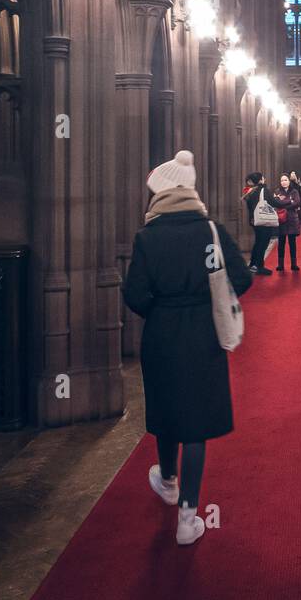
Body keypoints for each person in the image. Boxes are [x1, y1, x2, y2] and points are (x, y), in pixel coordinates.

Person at [122, 149, 252, 546]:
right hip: (203, 332)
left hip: (162, 333)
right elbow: (243, 279)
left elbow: (134, 294)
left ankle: (167, 479)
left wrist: (162, 309)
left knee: (167, 409)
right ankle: (188, 516)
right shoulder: (211, 231)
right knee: (196, 420)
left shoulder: (148, 236)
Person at [242, 172, 274, 275]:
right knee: (263, 244)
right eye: (263, 177)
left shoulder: (249, 191)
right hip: (263, 220)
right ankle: (260, 267)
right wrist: (287, 203)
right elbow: (273, 203)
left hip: (254, 220)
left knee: (258, 243)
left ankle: (252, 264)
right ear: (260, 180)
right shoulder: (263, 190)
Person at [271, 173, 301, 272]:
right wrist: (289, 201)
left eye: (285, 180)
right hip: (281, 219)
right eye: (282, 180)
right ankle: (280, 264)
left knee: (292, 243)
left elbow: (297, 202)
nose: (283, 182)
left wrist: (283, 203)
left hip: (292, 219)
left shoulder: (294, 191)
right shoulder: (277, 191)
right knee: (281, 243)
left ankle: (294, 264)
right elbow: (275, 203)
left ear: (289, 181)